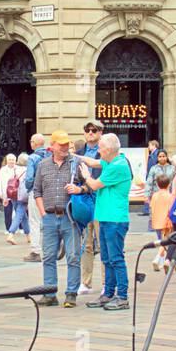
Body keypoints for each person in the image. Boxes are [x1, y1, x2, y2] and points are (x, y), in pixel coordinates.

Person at [78, 133, 132, 310]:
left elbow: (93, 185)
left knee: (116, 259)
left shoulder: (118, 165)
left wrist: (86, 175)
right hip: (106, 217)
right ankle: (108, 294)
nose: (98, 151)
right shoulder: (111, 161)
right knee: (107, 259)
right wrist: (74, 156)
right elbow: (93, 162)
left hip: (115, 219)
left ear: (108, 150)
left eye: (100, 148)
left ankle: (122, 296)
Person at [32, 130, 81, 307]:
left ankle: (71, 294)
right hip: (50, 216)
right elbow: (36, 191)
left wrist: (79, 190)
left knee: (73, 256)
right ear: (51, 146)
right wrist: (43, 213)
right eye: (61, 144)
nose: (65, 147)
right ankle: (49, 293)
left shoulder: (76, 163)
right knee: (49, 256)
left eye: (67, 144)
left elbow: (90, 188)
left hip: (70, 217)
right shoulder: (43, 165)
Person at [75, 120, 105, 296]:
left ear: (101, 132)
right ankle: (85, 283)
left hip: (102, 203)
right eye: (87, 130)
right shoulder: (79, 153)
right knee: (85, 245)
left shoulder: (108, 152)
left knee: (103, 244)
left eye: (95, 130)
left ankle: (105, 283)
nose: (91, 132)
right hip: (85, 203)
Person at [23, 133, 47, 262]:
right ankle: (52, 248)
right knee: (48, 220)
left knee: (35, 221)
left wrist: (28, 188)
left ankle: (35, 251)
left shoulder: (32, 158)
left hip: (36, 192)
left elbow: (29, 178)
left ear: (34, 143)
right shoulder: (50, 155)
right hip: (49, 192)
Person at [149, 173, 175, 271]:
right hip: (166, 222)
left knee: (161, 241)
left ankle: (162, 261)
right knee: (165, 243)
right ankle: (158, 258)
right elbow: (170, 210)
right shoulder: (169, 196)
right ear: (169, 184)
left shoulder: (154, 196)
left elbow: (151, 207)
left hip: (156, 222)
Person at [0, 153, 18, 241]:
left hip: (16, 194)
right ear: (7, 161)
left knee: (18, 212)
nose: (11, 161)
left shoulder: (18, 169)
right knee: (7, 212)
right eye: (10, 160)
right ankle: (8, 228)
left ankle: (19, 228)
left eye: (13, 160)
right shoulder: (2, 170)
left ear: (15, 161)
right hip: (6, 194)